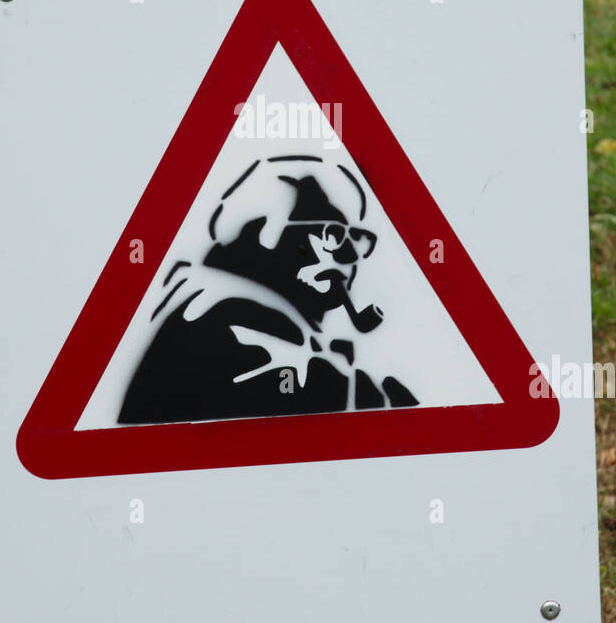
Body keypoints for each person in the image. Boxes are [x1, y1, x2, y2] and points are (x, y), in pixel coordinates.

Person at [117, 154, 419, 424]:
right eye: (333, 235)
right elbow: (307, 390)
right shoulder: (225, 315)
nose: (351, 256)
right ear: (266, 233)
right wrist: (389, 410)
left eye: (358, 238)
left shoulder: (252, 317)